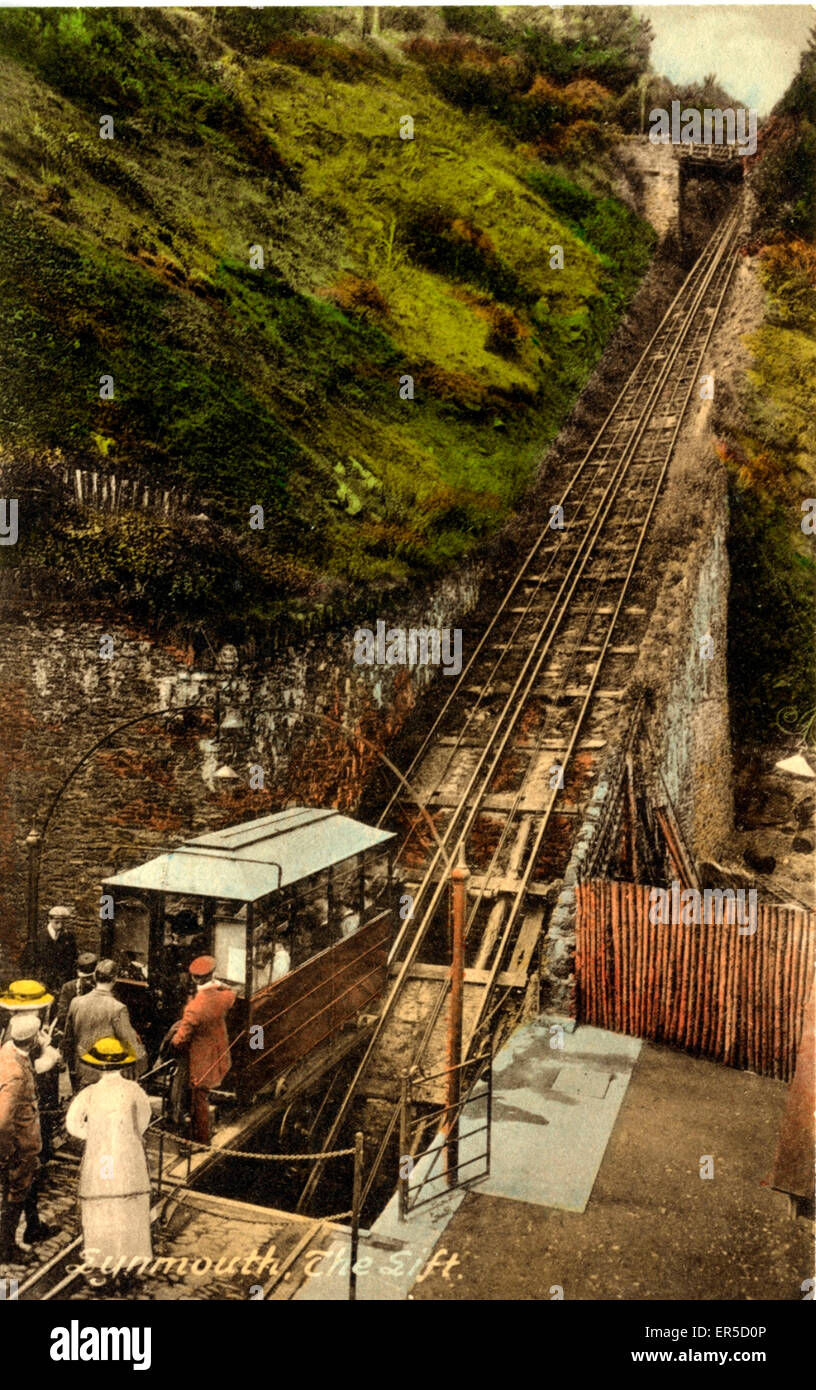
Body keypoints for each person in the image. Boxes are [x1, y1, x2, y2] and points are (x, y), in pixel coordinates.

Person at [65, 1036, 152, 1281]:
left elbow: (73, 1124)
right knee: (130, 1205)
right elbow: (143, 1121)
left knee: (99, 1206)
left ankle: (100, 1262)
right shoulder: (134, 1090)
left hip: (101, 1161)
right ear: (122, 1065)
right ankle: (132, 1261)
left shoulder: (89, 1094)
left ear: (97, 1066)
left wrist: (92, 1136)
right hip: (129, 1159)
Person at [0, 1014, 55, 1264]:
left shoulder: (7, 1051)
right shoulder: (17, 1074)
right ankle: (6, 1247)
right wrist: (8, 1152)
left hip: (18, 1140)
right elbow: (3, 1120)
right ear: (32, 1040)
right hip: (19, 1144)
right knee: (16, 1192)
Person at [169, 956, 235, 1144]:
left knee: (199, 1101)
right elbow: (231, 993)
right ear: (212, 975)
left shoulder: (194, 1008)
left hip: (200, 1061)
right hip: (218, 1053)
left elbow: (180, 1040)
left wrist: (172, 1041)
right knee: (201, 1096)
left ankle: (201, 1141)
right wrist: (218, 984)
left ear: (195, 979)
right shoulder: (224, 997)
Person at [0, 979, 62, 1173]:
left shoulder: (16, 1025)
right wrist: (48, 1052)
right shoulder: (20, 1032)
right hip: (25, 1097)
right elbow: (30, 1066)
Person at [63, 960, 146, 1089]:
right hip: (107, 1071)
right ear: (115, 979)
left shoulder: (76, 1002)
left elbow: (68, 1038)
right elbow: (130, 1044)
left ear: (95, 977)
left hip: (82, 1069)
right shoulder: (118, 1008)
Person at [21, 906, 78, 995]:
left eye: (63, 923)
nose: (60, 926)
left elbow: (72, 960)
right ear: (49, 919)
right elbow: (26, 963)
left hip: (61, 984)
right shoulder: (38, 938)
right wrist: (35, 981)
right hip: (42, 982)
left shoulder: (69, 938)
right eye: (57, 922)